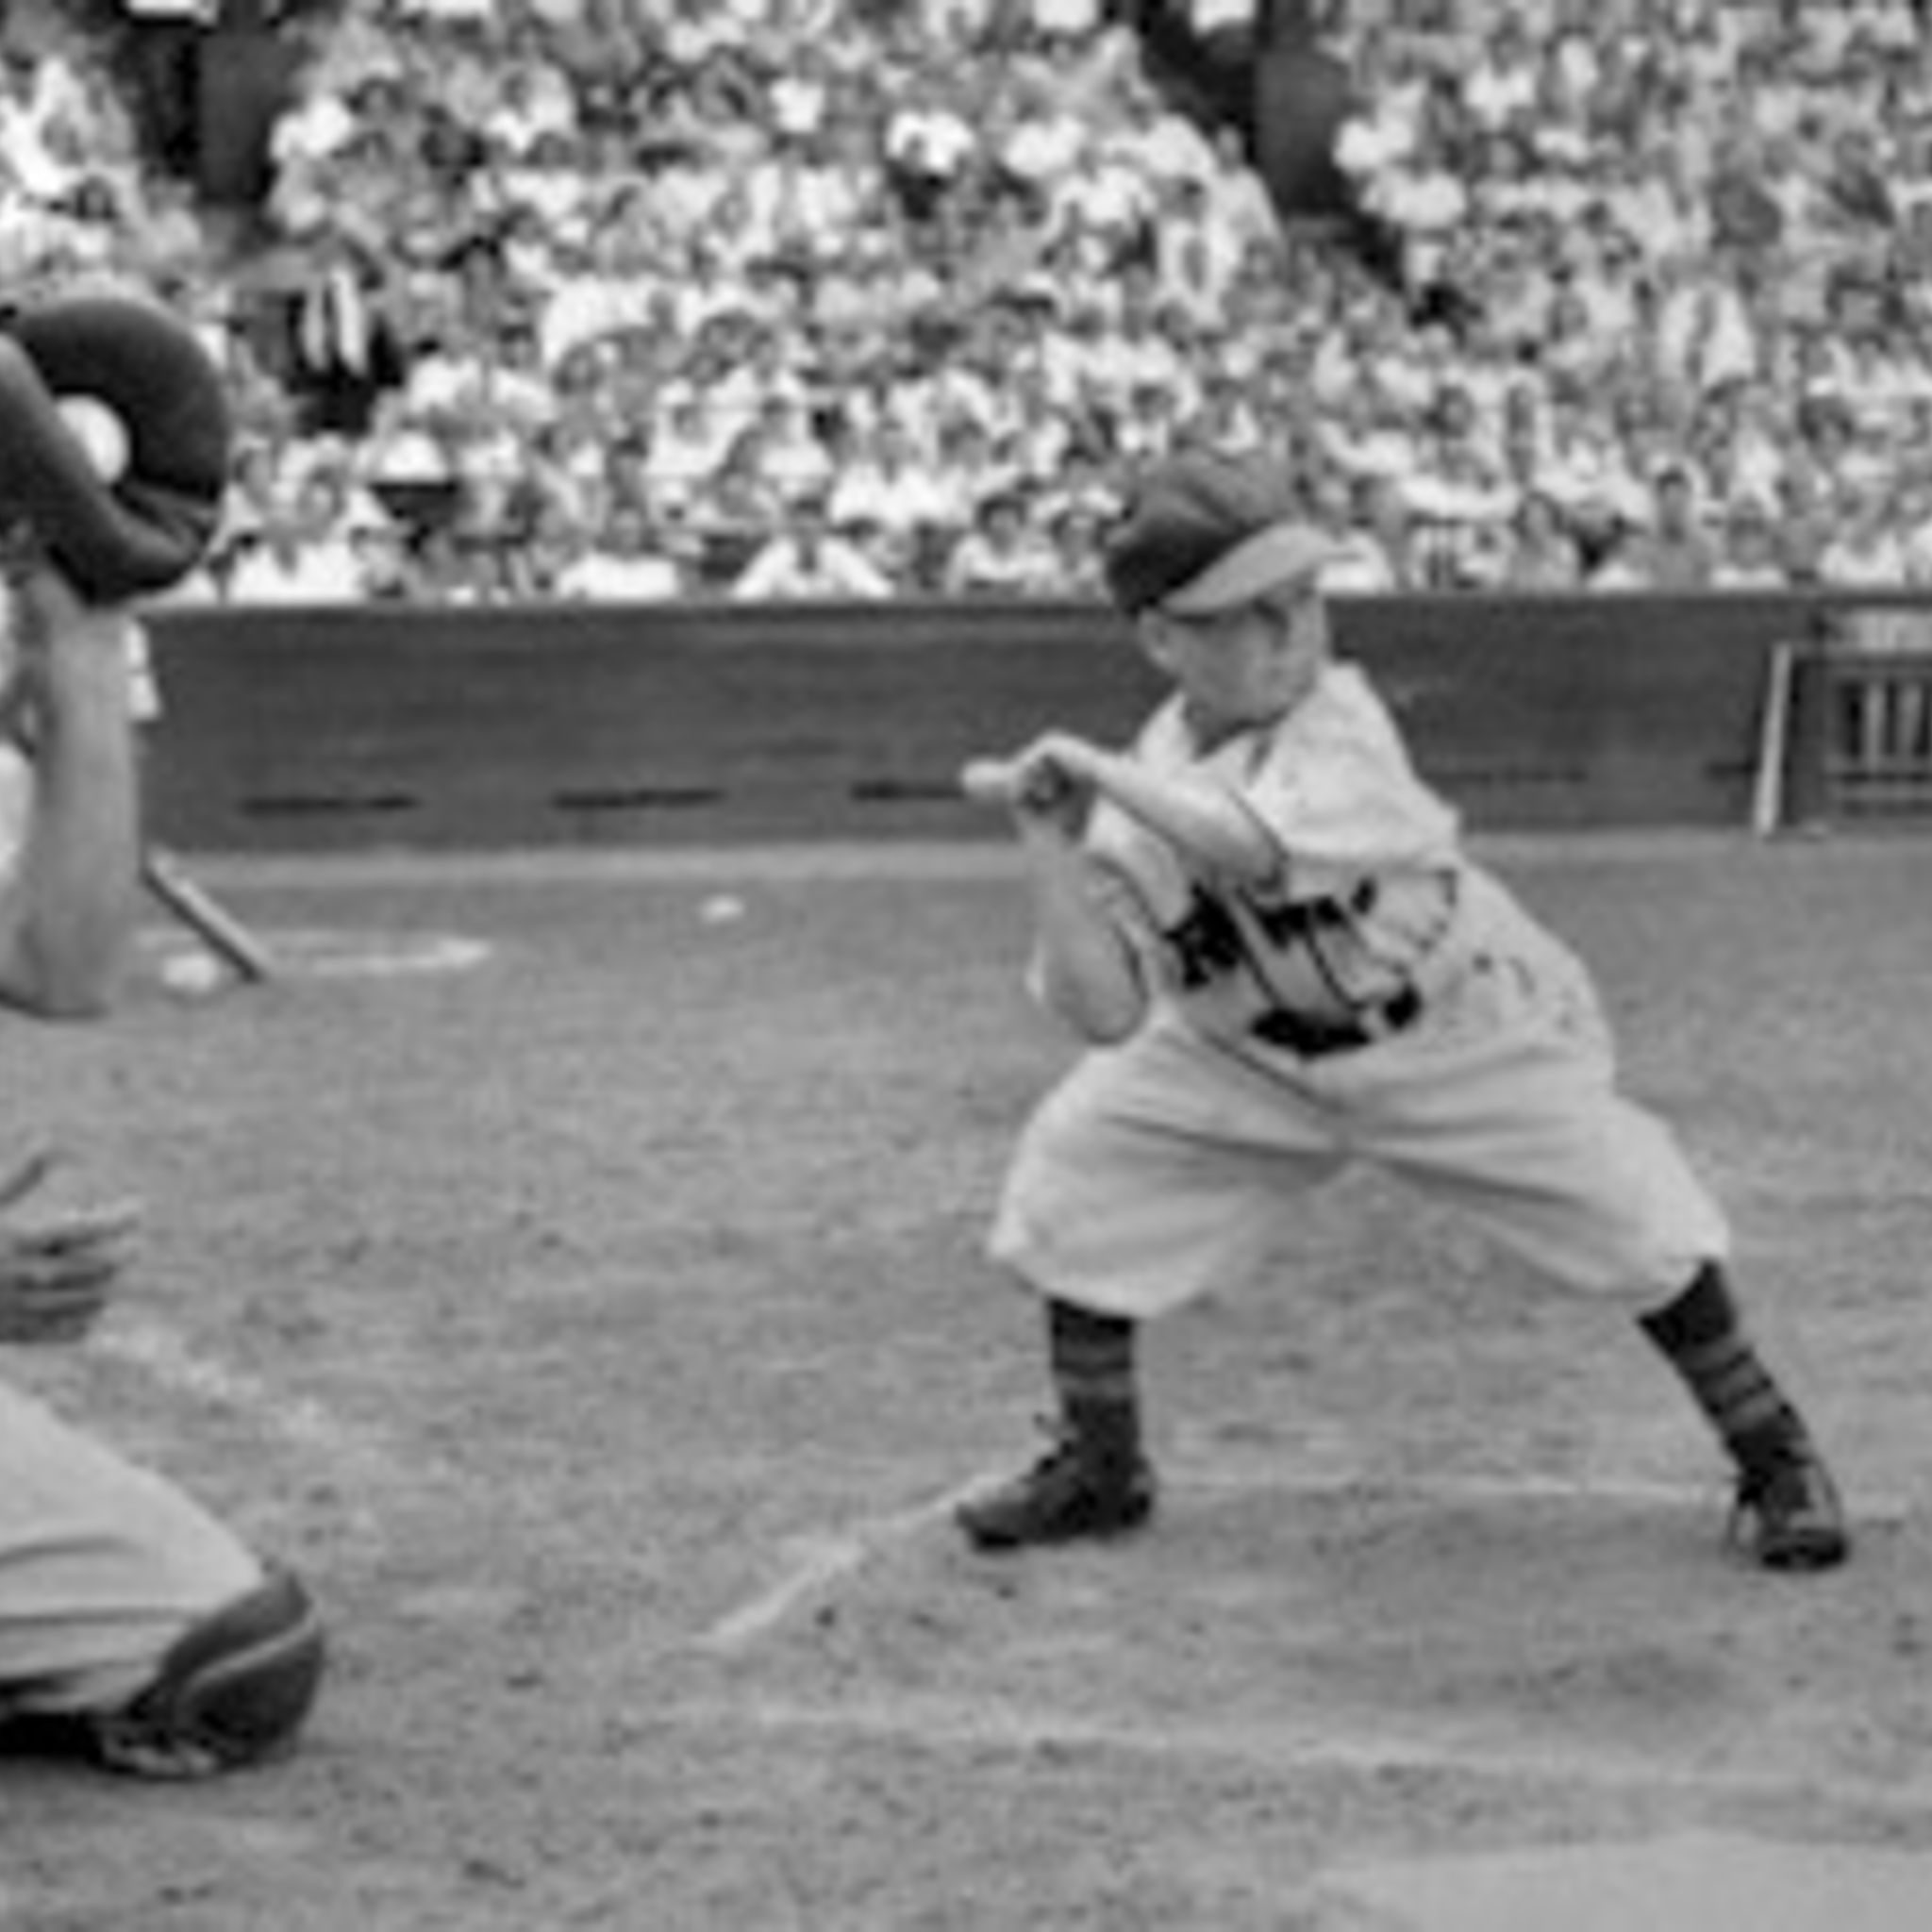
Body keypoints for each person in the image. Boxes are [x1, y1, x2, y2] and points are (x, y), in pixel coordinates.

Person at [954, 447, 1849, 1575]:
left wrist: (1100, 779)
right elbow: (1100, 1011)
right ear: (1160, 639)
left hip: (1451, 1028)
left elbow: (1248, 844)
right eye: (1246, 614)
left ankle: (1773, 1453)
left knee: (1636, 1216)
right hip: (1241, 1056)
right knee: (1073, 1168)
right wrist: (1050, 843)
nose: (1291, 632)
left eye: (1301, 599)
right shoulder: (1134, 801)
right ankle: (1099, 1464)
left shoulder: (1339, 720)